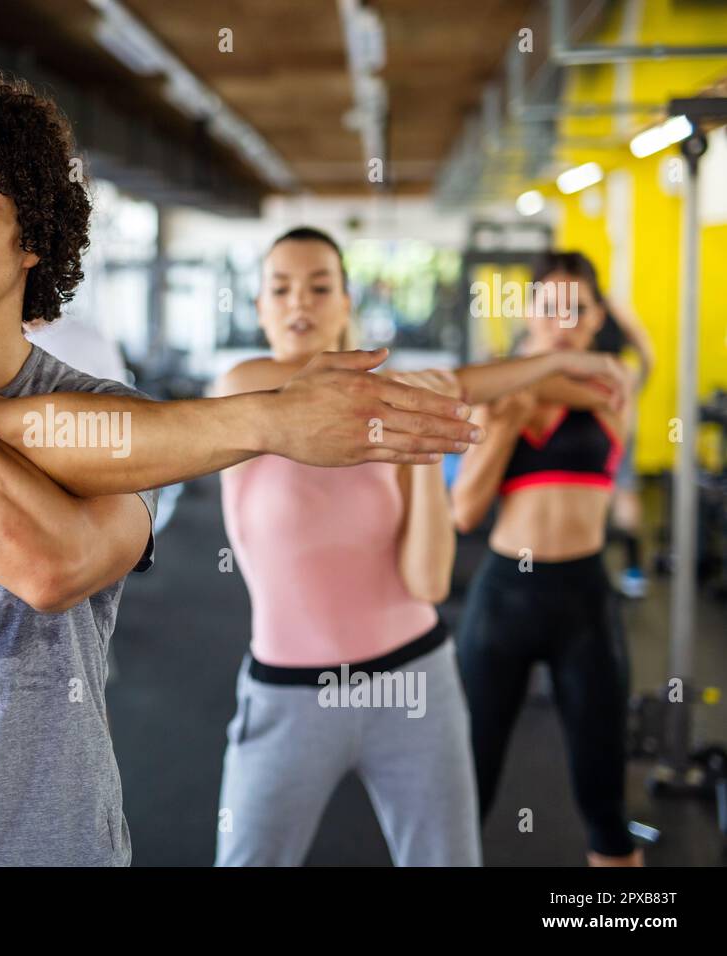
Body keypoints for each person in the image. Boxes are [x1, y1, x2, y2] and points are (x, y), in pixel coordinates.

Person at [0, 64, 483, 866]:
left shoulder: (100, 410)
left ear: (34, 240)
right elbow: (27, 509)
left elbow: (50, 564)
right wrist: (259, 421)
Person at [212, 227, 628, 866]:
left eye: (321, 287)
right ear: (260, 306)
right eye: (281, 288)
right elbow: (456, 383)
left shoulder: (398, 407)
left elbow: (429, 584)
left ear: (346, 302)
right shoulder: (240, 388)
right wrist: (551, 364)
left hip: (414, 680)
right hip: (289, 693)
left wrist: (431, 451)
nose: (301, 302)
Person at [452, 250, 642, 866]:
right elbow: (464, 513)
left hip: (584, 601)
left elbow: (600, 383)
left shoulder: (613, 384)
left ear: (596, 319)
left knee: (605, 801)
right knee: (462, 792)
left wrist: (510, 382)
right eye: (550, 305)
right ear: (529, 311)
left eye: (578, 308)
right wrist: (502, 422)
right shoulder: (500, 395)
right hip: (504, 598)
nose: (564, 319)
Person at [592, 290, 655, 597]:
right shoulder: (611, 309)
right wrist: (634, 383)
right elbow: (646, 353)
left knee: (609, 487)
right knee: (620, 486)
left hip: (606, 397)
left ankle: (624, 570)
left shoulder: (591, 309)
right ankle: (632, 571)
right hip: (615, 395)